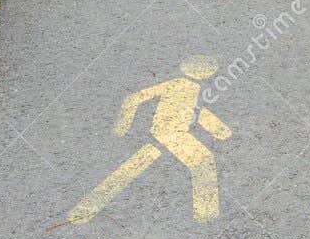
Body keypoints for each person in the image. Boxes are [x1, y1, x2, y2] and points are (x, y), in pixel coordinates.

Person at [68, 56, 231, 224]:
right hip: (172, 134)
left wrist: (218, 129)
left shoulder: (185, 86)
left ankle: (87, 207)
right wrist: (121, 126)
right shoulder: (181, 85)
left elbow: (194, 111)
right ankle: (206, 215)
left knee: (132, 167)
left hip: (164, 133)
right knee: (203, 160)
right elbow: (134, 99)